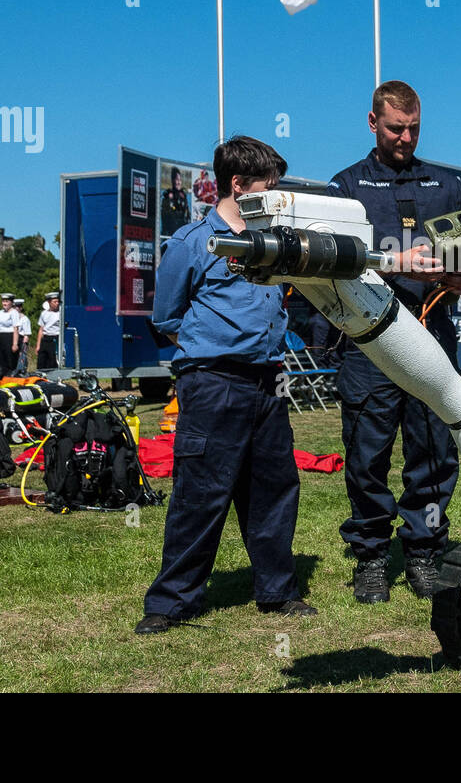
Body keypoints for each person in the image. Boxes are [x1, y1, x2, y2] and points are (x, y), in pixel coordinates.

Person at [136, 135, 314, 634]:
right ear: (238, 185)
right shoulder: (192, 243)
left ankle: (277, 591)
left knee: (275, 488)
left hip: (269, 382)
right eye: (267, 186)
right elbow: (167, 315)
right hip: (212, 383)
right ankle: (171, 602)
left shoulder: (274, 240)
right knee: (201, 492)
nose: (275, 196)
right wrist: (214, 350)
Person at [329, 80, 461, 604]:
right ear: (373, 123)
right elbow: (332, 262)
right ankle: (370, 556)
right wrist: (395, 262)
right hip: (370, 342)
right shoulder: (344, 187)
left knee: (434, 451)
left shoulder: (445, 185)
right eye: (395, 128)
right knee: (367, 453)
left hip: (433, 337)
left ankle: (424, 551)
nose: (405, 137)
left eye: (413, 128)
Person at [160, 166, 191, 237]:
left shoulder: (183, 196)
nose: (179, 182)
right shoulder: (168, 196)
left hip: (182, 234)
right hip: (170, 233)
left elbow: (187, 215)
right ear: (172, 180)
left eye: (180, 180)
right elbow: (166, 216)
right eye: (177, 179)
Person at [0, 293, 18, 374]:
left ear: (11, 302)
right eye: (3, 301)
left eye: (7, 301)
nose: (4, 303)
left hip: (9, 336)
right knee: (0, 359)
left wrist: (15, 344)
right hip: (0, 337)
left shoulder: (14, 312)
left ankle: (11, 376)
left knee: (10, 360)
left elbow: (15, 329)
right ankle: (2, 376)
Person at [36, 292, 61, 370]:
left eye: (58, 301)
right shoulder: (44, 313)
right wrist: (38, 345)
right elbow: (41, 329)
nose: (57, 303)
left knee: (52, 361)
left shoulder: (60, 313)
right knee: (41, 360)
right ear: (49, 302)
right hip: (46, 339)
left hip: (55, 338)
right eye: (54, 302)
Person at [13, 299, 32, 375]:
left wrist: (24, 346)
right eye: (14, 307)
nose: (16, 309)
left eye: (17, 307)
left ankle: (21, 371)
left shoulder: (25, 319)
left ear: (20, 308)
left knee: (21, 358)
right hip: (13, 338)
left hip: (21, 339)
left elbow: (26, 334)